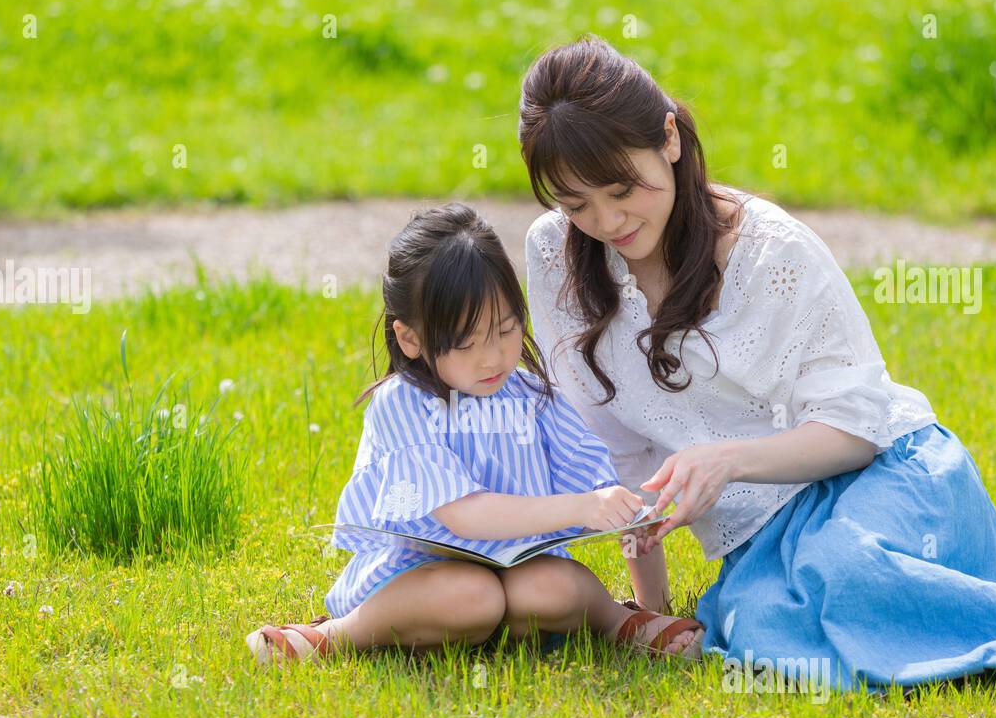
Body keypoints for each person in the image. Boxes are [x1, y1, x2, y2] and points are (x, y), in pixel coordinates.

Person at [518, 35, 996, 693]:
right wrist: (653, 608)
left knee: (846, 574)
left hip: (885, 472)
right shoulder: (556, 255)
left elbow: (859, 429)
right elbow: (626, 457)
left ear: (669, 138)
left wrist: (728, 461)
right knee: (751, 624)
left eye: (619, 189)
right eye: (576, 204)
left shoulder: (771, 251)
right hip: (766, 536)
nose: (607, 221)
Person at [246, 203, 706, 666]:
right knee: (471, 597)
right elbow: (464, 516)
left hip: (523, 575)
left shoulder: (531, 395)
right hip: (424, 580)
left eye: (506, 330)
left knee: (554, 587)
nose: (493, 358)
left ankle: (620, 620)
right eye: (467, 343)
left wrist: (628, 515)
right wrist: (582, 506)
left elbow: (596, 483)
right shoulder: (404, 404)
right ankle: (337, 636)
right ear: (411, 339)